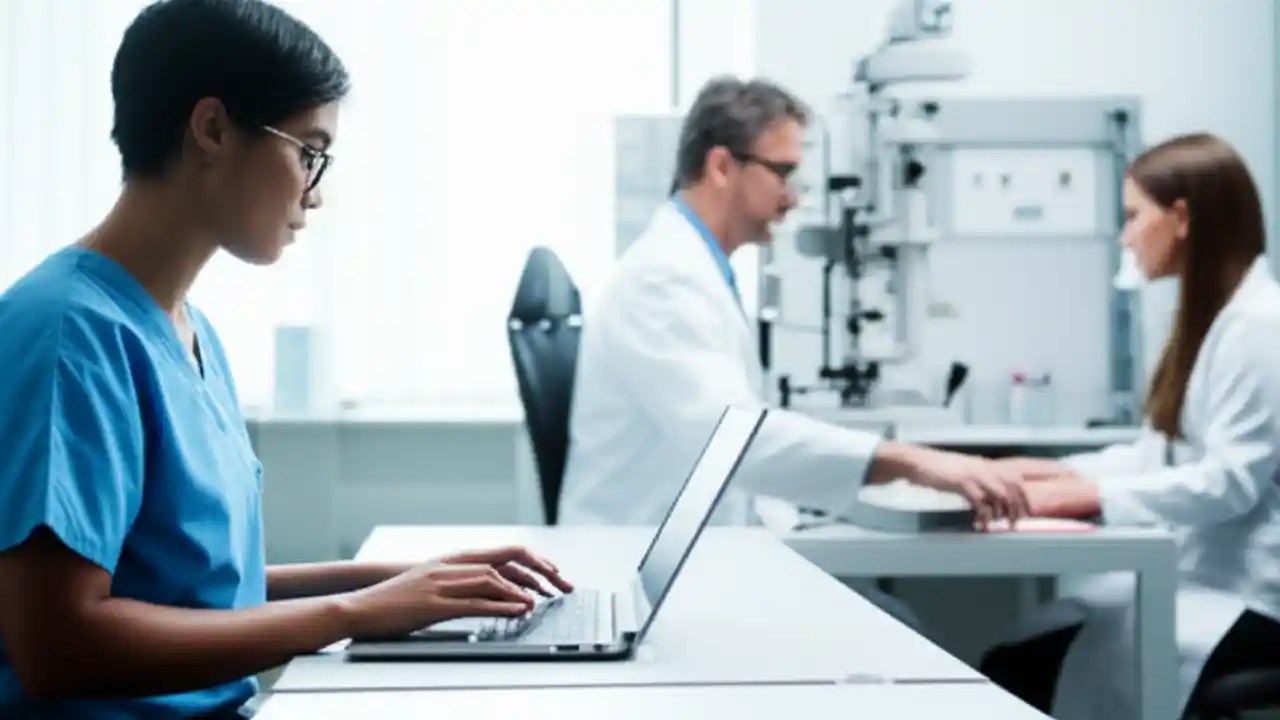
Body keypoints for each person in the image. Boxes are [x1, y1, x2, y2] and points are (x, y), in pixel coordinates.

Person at [0, 1, 571, 717]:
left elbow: (197, 591)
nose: (316, 191)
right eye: (308, 151)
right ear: (212, 129)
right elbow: (57, 644)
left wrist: (404, 583)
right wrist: (354, 614)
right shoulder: (67, 334)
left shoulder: (186, 328)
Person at [560, 76, 1030, 532]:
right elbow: (732, 440)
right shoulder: (661, 281)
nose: (794, 197)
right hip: (631, 554)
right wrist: (907, 461)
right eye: (782, 173)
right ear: (722, 166)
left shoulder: (694, 269)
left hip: (688, 553)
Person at [980, 132, 1280, 720]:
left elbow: (1228, 484)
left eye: (1133, 216)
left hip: (1248, 596)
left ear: (1182, 217)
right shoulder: (1218, 321)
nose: (1125, 236)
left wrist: (1088, 496)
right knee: (1014, 655)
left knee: (1024, 670)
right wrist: (1053, 472)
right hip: (1200, 581)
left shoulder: (1260, 327)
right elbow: (1161, 454)